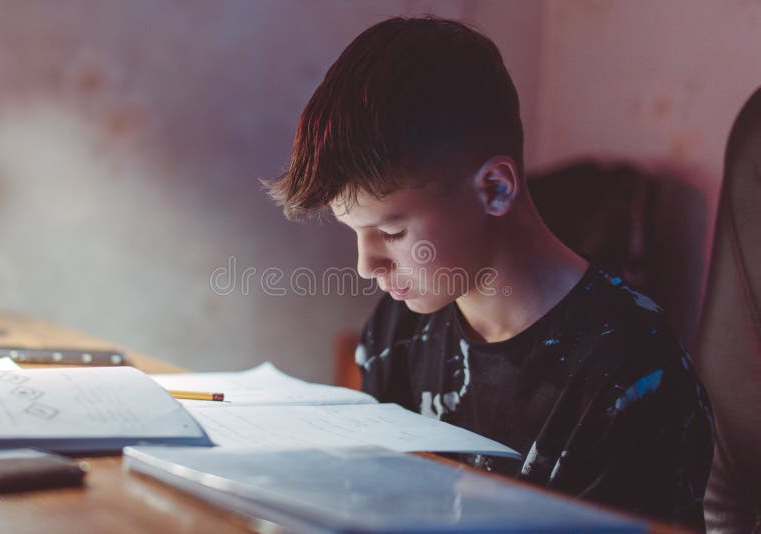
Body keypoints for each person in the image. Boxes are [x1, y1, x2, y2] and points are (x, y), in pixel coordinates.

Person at [265, 16, 712, 529]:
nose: (367, 266)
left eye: (391, 233)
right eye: (355, 231)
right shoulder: (401, 326)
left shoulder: (632, 376)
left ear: (495, 188)